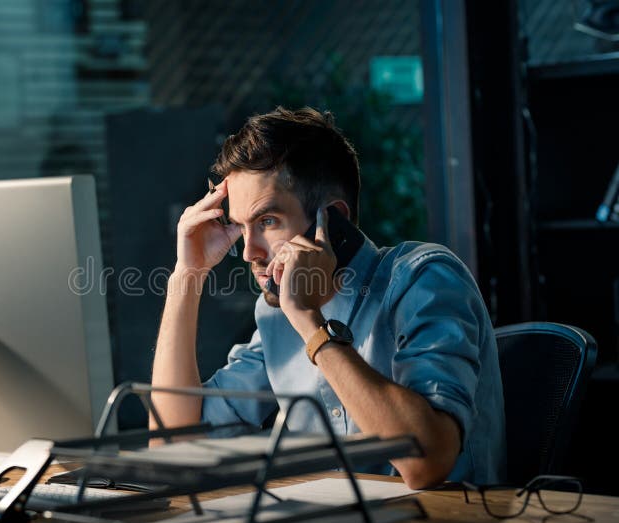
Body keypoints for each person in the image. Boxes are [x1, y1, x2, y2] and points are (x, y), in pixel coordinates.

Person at [150, 106, 505, 489]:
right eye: (239, 226)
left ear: (332, 220)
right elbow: (174, 446)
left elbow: (426, 464)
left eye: (267, 222)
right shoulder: (276, 315)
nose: (249, 251)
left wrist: (310, 322)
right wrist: (188, 274)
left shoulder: (423, 278)